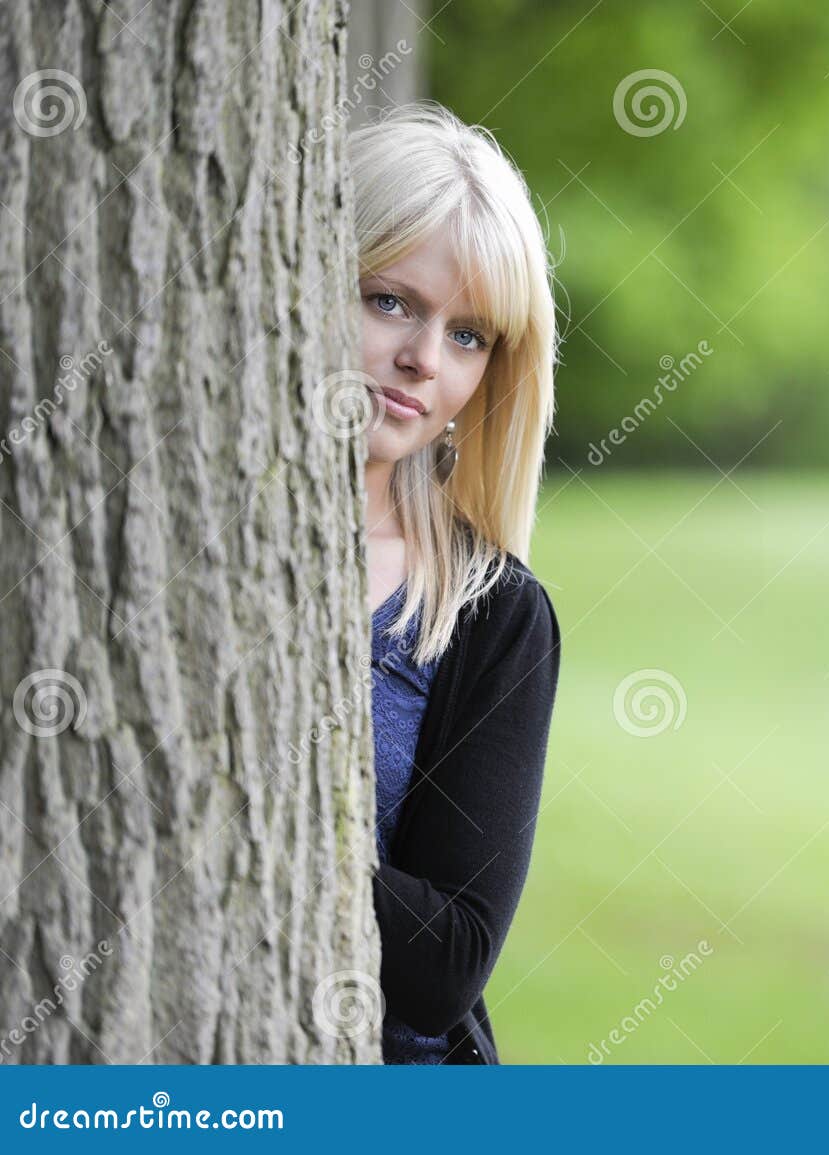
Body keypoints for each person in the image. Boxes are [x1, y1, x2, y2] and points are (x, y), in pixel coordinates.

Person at [350, 101, 561, 1064]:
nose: (422, 360)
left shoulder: (493, 614)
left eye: (468, 334)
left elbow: (445, 966)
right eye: (388, 299)